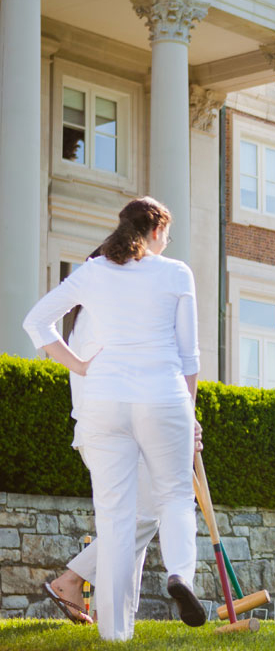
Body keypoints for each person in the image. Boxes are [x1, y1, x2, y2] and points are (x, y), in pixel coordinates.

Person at [23, 197, 205, 641]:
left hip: (103, 404)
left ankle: (116, 636)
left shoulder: (94, 272)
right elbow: (189, 356)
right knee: (175, 497)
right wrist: (188, 411)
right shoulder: (176, 273)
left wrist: (82, 366)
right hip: (161, 397)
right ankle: (180, 573)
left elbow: (35, 321)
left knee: (117, 519)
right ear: (157, 229)